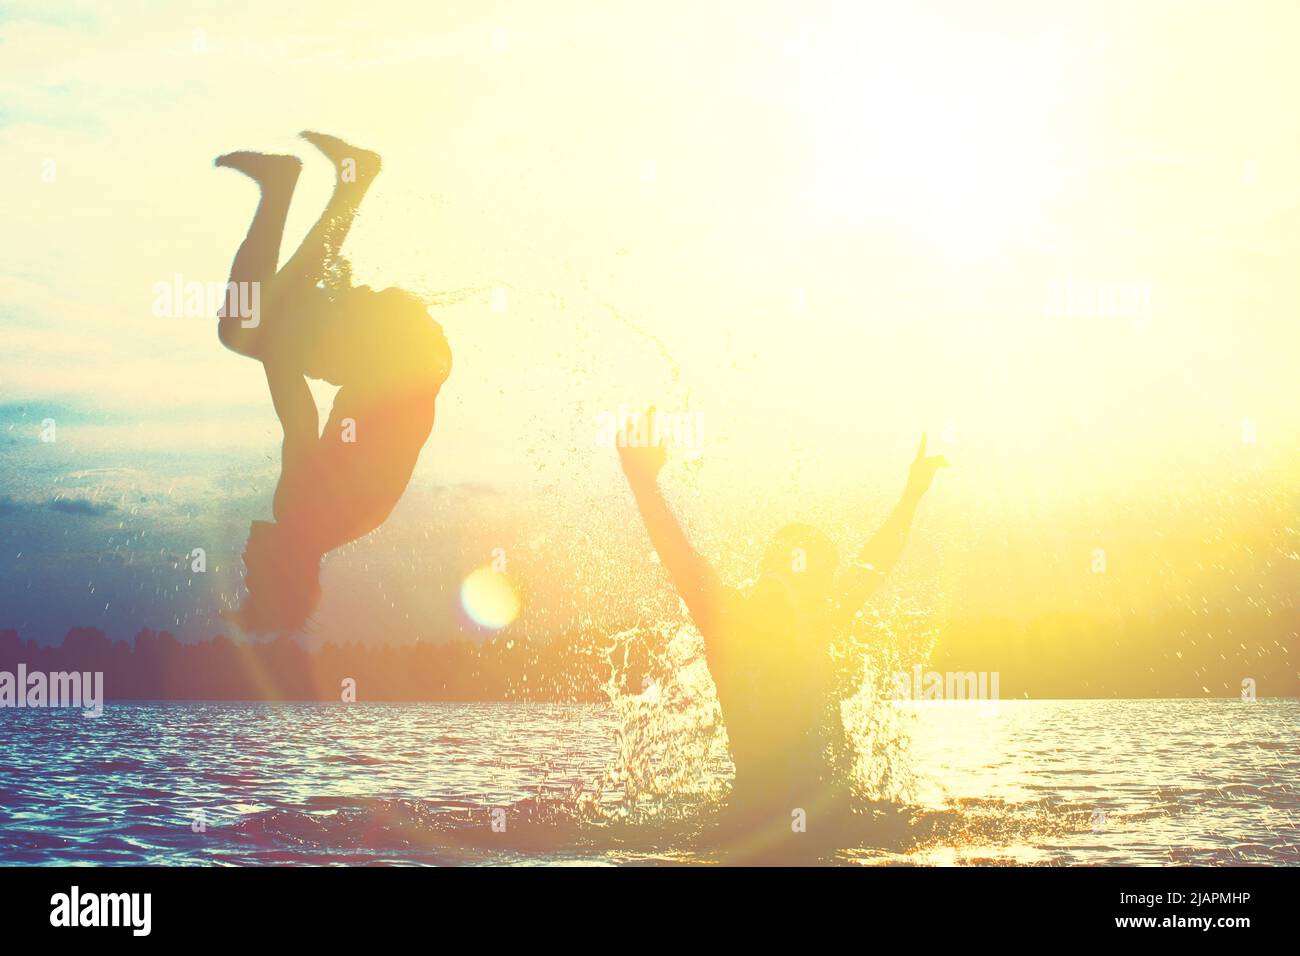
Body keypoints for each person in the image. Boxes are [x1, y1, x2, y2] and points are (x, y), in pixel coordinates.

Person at [616, 410, 947, 851]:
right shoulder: (734, 624)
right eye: (811, 579)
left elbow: (874, 565)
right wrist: (643, 484)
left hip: (797, 821)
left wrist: (910, 498)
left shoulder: (806, 622)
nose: (816, 592)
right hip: (776, 821)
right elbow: (679, 556)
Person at [214, 132, 451, 633]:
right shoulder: (300, 513)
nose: (245, 564)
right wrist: (272, 346)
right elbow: (301, 417)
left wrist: (280, 337)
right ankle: (329, 181)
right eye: (254, 580)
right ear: (282, 574)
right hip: (397, 354)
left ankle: (307, 185)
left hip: (412, 356)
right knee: (245, 325)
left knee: (254, 322)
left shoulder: (331, 527)